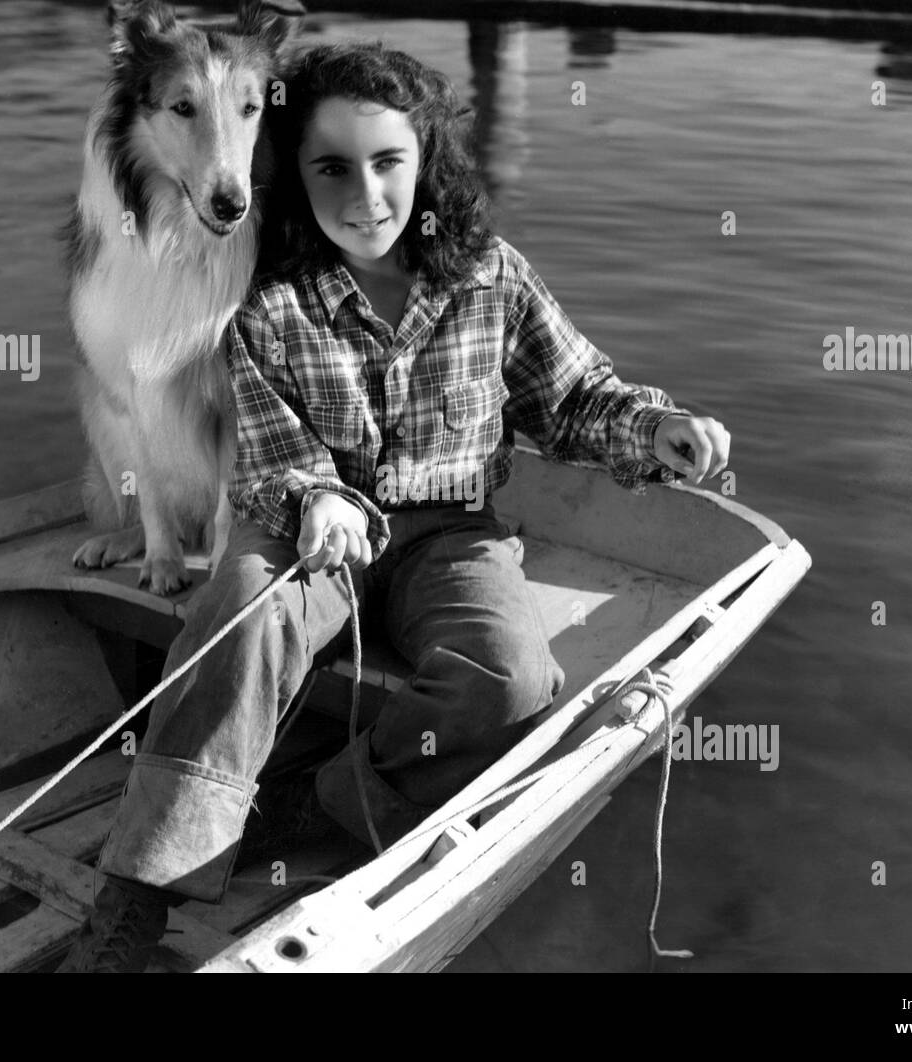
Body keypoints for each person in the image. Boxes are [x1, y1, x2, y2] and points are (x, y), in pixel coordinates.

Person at [59, 41, 730, 973]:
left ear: (427, 163)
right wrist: (318, 496)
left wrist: (656, 430)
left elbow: (575, 399)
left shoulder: (492, 278)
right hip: (311, 528)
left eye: (387, 163)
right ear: (295, 174)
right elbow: (268, 447)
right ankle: (135, 896)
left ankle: (320, 800)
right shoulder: (270, 301)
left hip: (450, 535)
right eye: (331, 168)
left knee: (511, 684)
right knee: (236, 621)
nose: (364, 195)